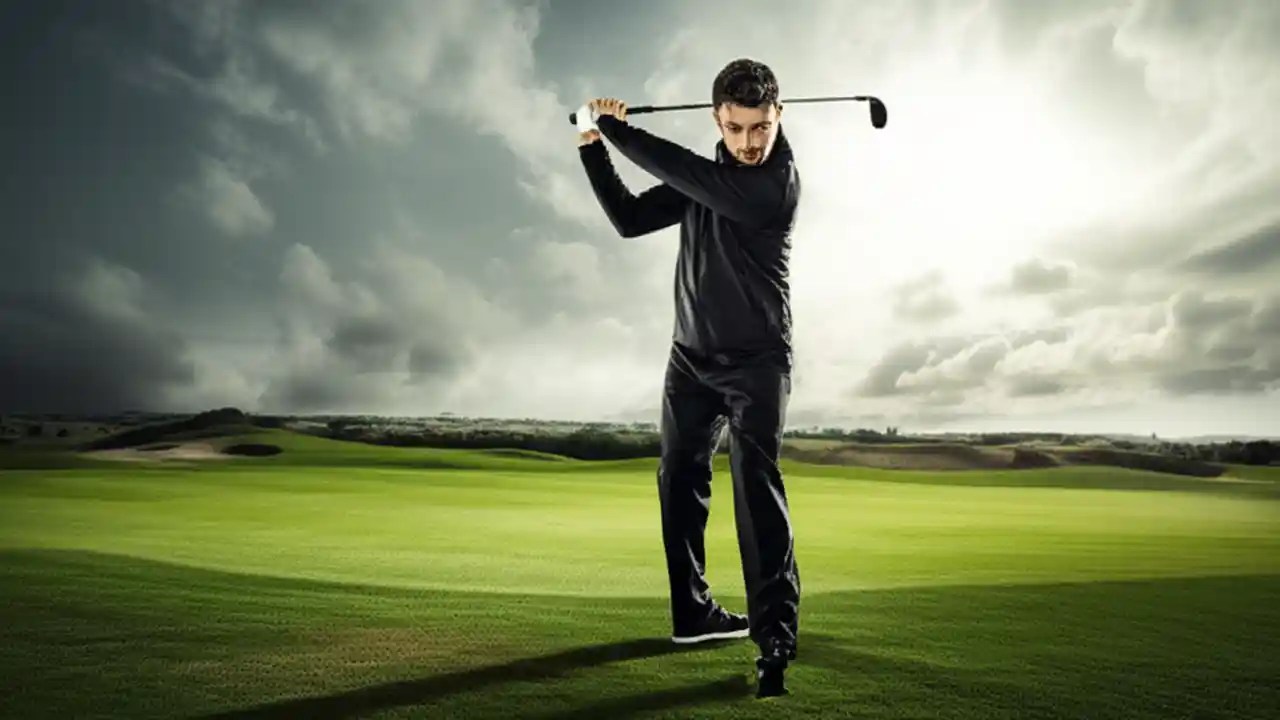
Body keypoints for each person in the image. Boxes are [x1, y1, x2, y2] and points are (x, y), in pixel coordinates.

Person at [576, 58, 801, 698]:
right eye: (736, 128)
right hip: (690, 359)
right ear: (717, 120)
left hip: (757, 363)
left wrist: (619, 130)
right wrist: (595, 148)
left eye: (760, 126)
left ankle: (775, 639)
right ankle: (693, 613)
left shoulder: (774, 185)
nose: (750, 142)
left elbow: (689, 172)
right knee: (678, 479)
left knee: (755, 490)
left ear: (778, 116)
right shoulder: (709, 178)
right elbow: (628, 218)